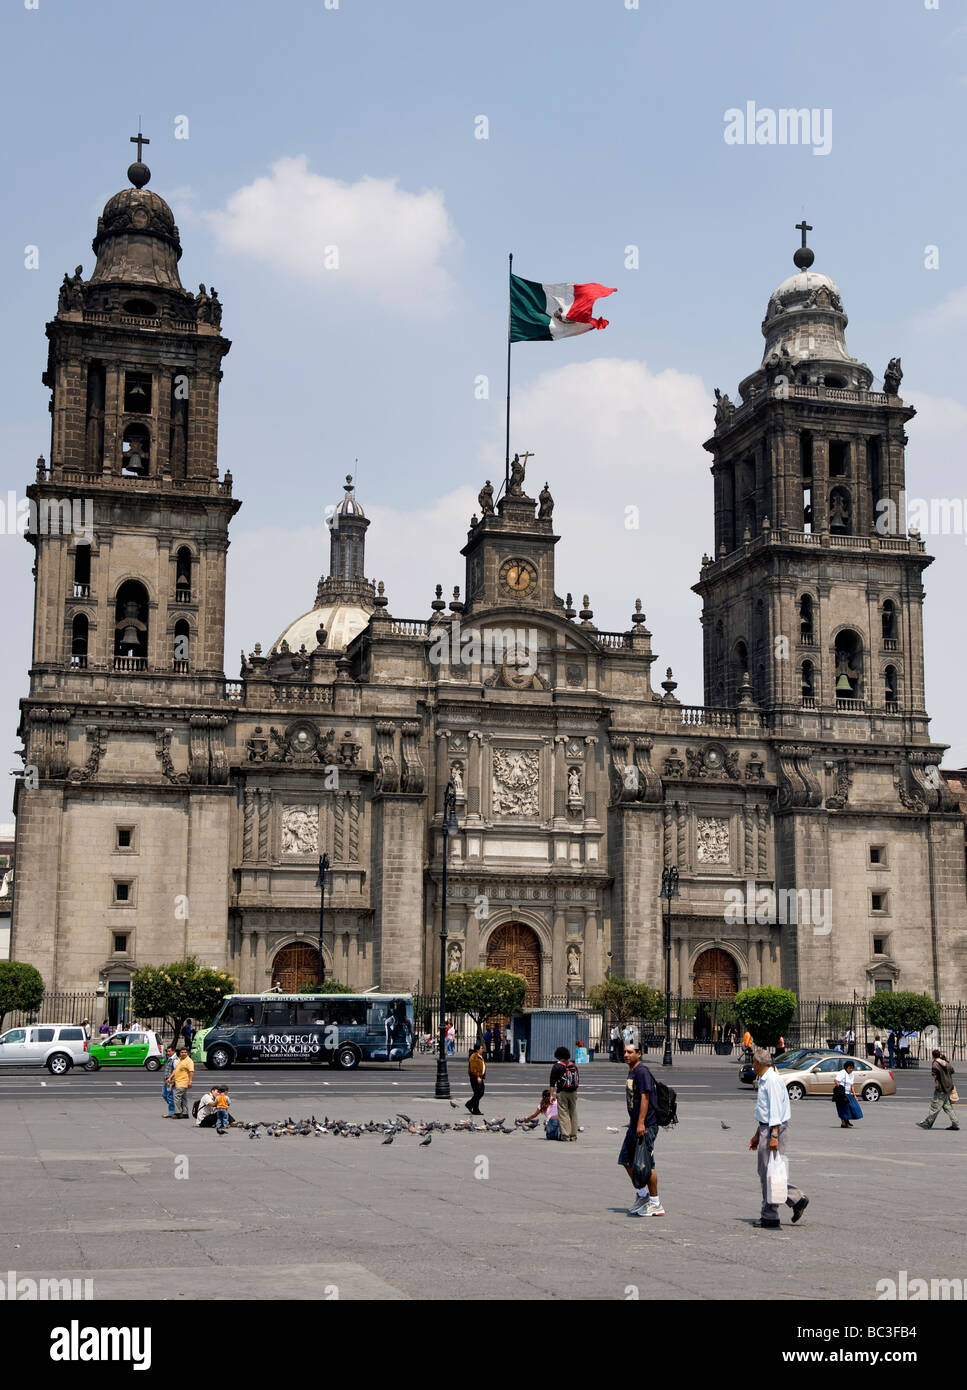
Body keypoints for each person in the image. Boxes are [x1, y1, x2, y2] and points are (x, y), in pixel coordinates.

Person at [748, 1047, 809, 1229]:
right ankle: (793, 1200)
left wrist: (773, 1135)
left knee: (769, 1173)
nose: (752, 1066)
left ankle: (773, 1213)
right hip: (767, 1128)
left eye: (753, 1062)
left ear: (759, 1063)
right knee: (768, 1171)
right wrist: (757, 1135)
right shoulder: (767, 1079)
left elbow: (775, 1110)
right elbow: (764, 1112)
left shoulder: (772, 1081)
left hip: (774, 1129)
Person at [619, 1041, 664, 1216]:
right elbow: (633, 1100)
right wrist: (632, 1120)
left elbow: (645, 1098)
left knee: (646, 1164)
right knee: (626, 1160)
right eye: (624, 1052)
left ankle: (655, 1202)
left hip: (646, 1125)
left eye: (630, 1052)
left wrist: (641, 1123)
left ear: (639, 1053)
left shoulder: (642, 1072)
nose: (626, 1055)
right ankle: (643, 1195)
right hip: (635, 1124)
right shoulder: (632, 1071)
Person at [917, 1049, 960, 1131]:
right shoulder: (946, 1063)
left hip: (941, 1087)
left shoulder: (935, 1064)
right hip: (948, 1086)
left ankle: (927, 1123)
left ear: (933, 1056)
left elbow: (934, 1075)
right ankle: (955, 1123)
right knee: (948, 1107)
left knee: (935, 1106)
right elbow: (952, 1071)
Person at [550, 1046, 579, 1141]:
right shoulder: (573, 1065)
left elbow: (552, 1083)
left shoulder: (557, 1066)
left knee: (563, 1113)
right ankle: (573, 1135)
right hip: (573, 1092)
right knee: (573, 1113)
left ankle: (566, 1135)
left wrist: (551, 1095)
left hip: (562, 1092)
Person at [170, 1047, 194, 1118]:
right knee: (183, 1098)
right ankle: (185, 1113)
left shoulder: (189, 1061)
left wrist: (190, 1081)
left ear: (187, 1053)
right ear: (180, 1053)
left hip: (183, 1082)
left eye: (185, 1052)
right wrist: (172, 1079)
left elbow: (191, 1072)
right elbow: (176, 1070)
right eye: (182, 1052)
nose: (183, 1053)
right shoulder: (180, 1060)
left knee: (177, 1097)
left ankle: (178, 1113)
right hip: (178, 1082)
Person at [832, 1060, 857, 1128]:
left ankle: (847, 1121)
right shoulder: (842, 1072)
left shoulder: (852, 1075)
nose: (851, 1070)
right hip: (842, 1094)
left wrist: (854, 1095)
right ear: (846, 1068)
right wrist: (840, 1089)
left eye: (852, 1068)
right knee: (842, 1108)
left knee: (849, 1108)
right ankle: (843, 1122)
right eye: (849, 1068)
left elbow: (852, 1085)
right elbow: (836, 1081)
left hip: (848, 1094)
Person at [466, 1041, 486, 1115]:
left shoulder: (479, 1056)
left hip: (480, 1077)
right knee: (479, 1093)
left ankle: (475, 1109)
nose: (482, 1049)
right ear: (477, 1049)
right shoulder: (474, 1056)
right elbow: (473, 1068)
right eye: (481, 1048)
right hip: (475, 1078)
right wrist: (477, 1076)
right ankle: (469, 1104)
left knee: (478, 1093)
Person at [161, 1045, 177, 1117]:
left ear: (173, 1051)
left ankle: (172, 1111)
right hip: (167, 1080)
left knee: (169, 1096)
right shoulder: (169, 1058)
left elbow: (176, 1071)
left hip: (170, 1081)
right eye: (167, 1051)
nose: (168, 1052)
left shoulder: (175, 1060)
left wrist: (173, 1080)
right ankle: (173, 1107)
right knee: (164, 1095)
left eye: (169, 1051)